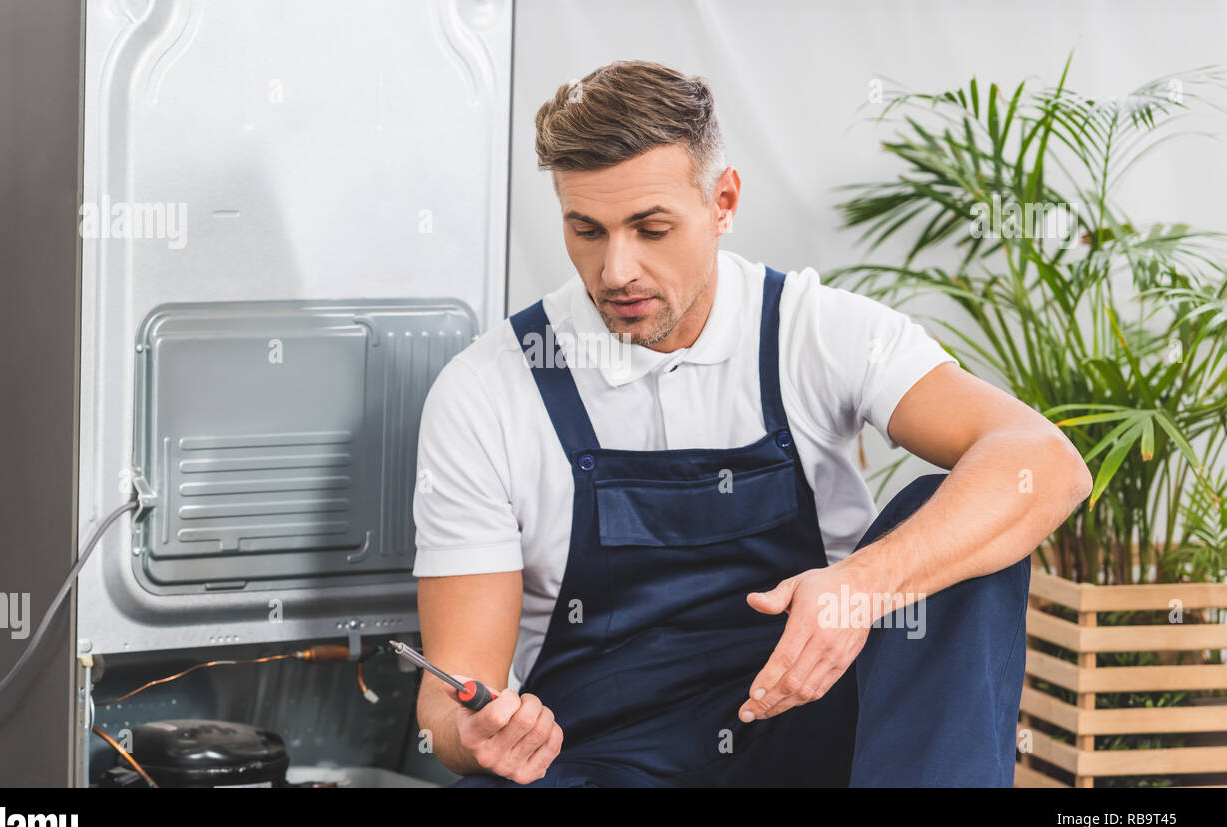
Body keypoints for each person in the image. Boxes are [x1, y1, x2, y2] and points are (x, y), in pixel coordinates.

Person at [410, 60, 1092, 787]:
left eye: (651, 228)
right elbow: (449, 699)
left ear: (723, 201)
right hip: (603, 760)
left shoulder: (811, 330)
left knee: (946, 516)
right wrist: (475, 730)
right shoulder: (486, 390)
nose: (615, 270)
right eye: (587, 229)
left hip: (824, 740)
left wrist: (861, 586)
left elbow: (1044, 461)